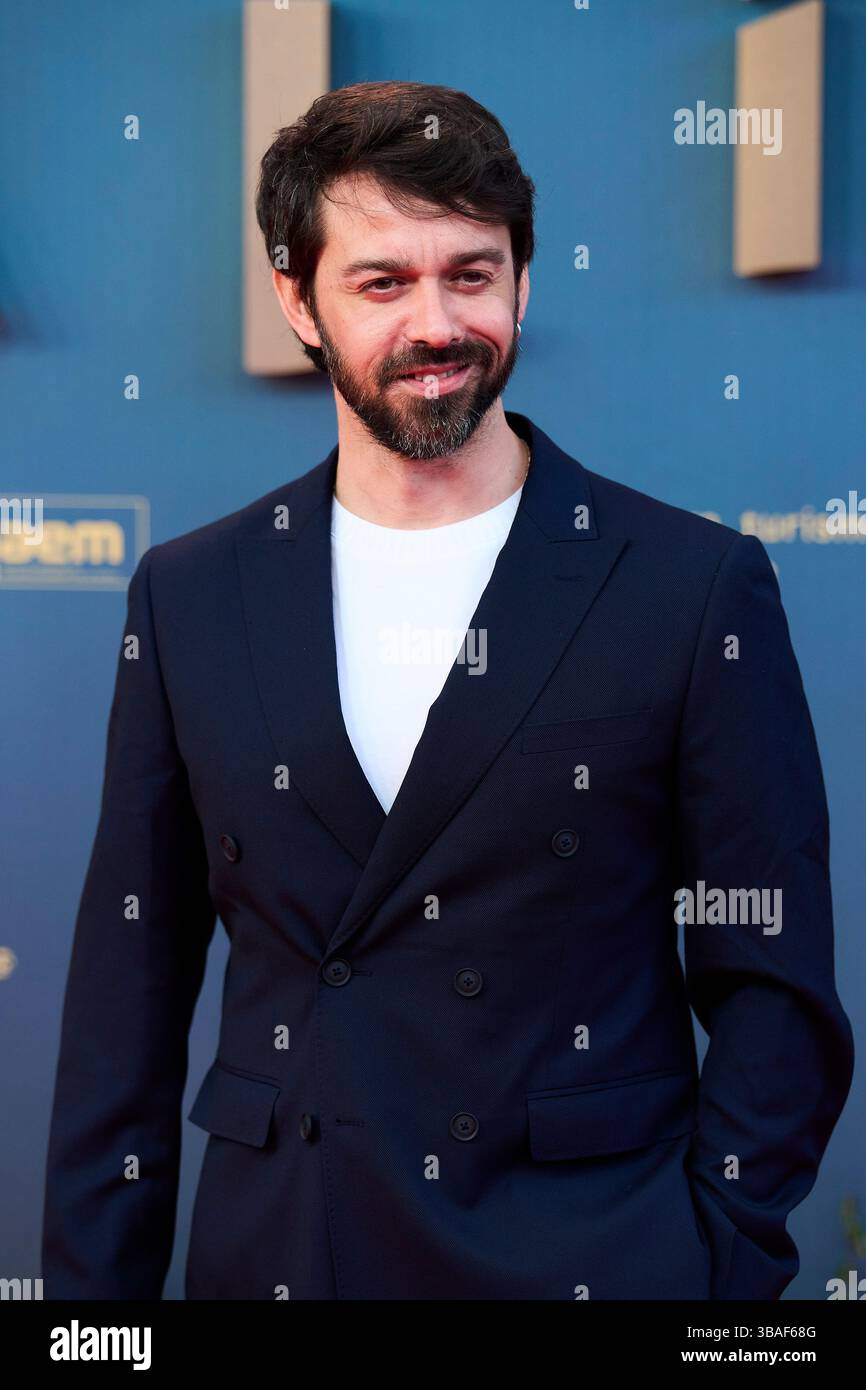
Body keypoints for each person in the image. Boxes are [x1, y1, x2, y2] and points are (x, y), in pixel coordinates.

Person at [42, 80, 854, 1300]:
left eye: (470, 274)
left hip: (593, 1257)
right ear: (295, 302)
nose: (436, 322)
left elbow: (772, 983)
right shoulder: (189, 594)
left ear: (522, 283)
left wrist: (713, 1267)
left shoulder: (687, 585)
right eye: (382, 282)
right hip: (285, 1252)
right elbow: (128, 995)